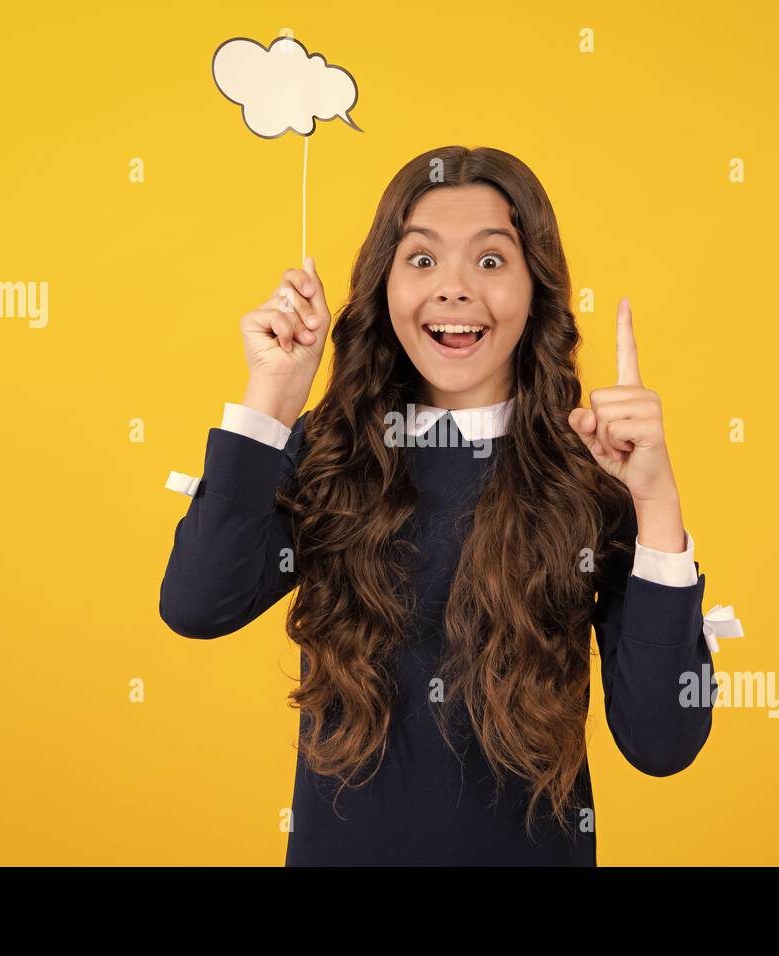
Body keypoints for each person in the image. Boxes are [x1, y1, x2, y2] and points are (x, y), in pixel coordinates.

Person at [160, 145, 718, 866]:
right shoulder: (330, 453)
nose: (453, 289)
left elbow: (663, 742)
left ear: (536, 290)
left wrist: (656, 501)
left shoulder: (593, 476)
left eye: (490, 261)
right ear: (383, 287)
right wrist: (270, 397)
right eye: (421, 260)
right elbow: (197, 605)